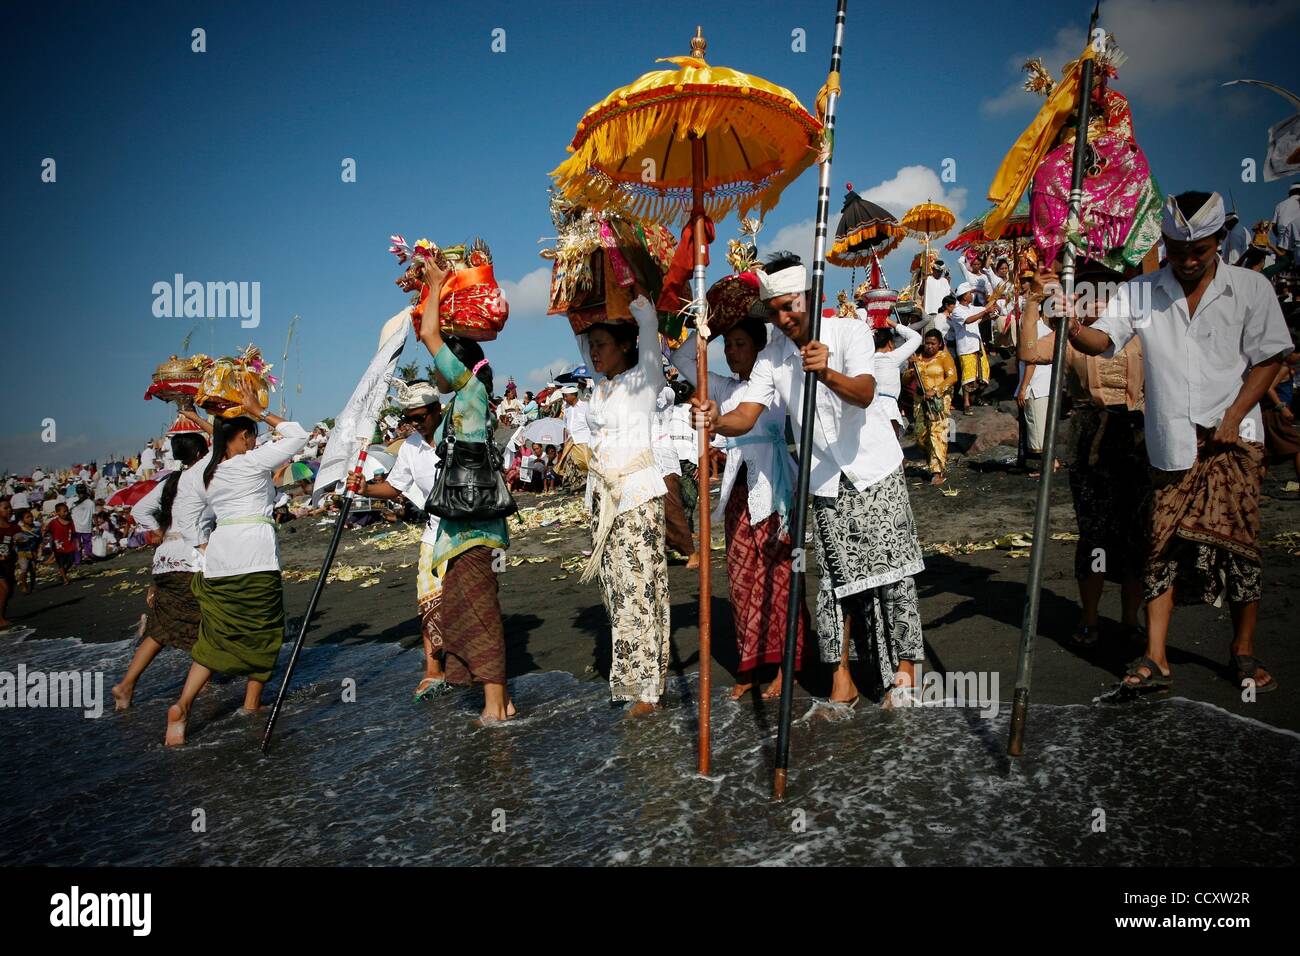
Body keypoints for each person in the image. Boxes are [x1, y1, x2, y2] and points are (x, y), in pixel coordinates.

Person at [1069, 191, 1292, 694]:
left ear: (1220, 239)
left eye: (1200, 250)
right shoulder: (1141, 291)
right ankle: (1155, 656)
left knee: (1241, 549)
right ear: (1163, 243)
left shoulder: (1251, 288)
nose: (1188, 261)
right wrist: (1070, 322)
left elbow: (1272, 358)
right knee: (1160, 545)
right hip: (1170, 441)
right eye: (1176, 249)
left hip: (1235, 443)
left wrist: (1234, 415)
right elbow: (1102, 342)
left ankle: (1242, 651)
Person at [696, 253, 925, 708]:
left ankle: (905, 668)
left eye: (790, 306)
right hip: (821, 481)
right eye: (776, 309)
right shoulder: (771, 360)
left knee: (891, 573)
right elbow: (747, 415)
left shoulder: (849, 331)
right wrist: (717, 419)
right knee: (838, 579)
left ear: (809, 299)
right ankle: (842, 676)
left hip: (874, 469)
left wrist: (827, 372)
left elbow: (863, 393)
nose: (784, 318)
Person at [164, 380, 309, 745]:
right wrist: (259, 409)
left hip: (219, 556)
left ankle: (183, 704)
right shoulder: (250, 462)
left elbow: (186, 514)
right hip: (255, 555)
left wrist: (201, 547)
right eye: (253, 436)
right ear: (244, 436)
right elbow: (297, 436)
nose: (256, 442)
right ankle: (251, 703)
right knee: (266, 630)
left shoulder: (205, 472)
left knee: (216, 637)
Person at [671, 312, 808, 700]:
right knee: (743, 578)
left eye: (739, 344)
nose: (731, 352)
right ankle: (750, 665)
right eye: (727, 346)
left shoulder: (776, 382)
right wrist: (709, 330)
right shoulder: (723, 387)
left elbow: (782, 342)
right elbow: (682, 360)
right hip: (737, 494)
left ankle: (787, 666)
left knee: (780, 577)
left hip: (775, 489)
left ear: (759, 347)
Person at [1019, 267, 1148, 647]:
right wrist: (1031, 303)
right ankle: (1090, 618)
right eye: (1086, 295)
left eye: (1103, 294)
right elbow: (1028, 352)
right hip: (1089, 439)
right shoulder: (1068, 337)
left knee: (1137, 533)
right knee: (1094, 535)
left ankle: (1130, 618)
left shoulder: (1140, 335)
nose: (1095, 302)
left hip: (1137, 440)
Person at [416, 257, 514, 723]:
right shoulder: (463, 406)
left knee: (479, 612)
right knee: (468, 608)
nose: (433, 367)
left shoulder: (471, 390)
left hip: (472, 526)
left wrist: (434, 287)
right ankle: (502, 699)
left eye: (440, 362)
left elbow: (432, 337)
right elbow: (436, 442)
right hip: (466, 527)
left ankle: (496, 704)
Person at [576, 292, 672, 716]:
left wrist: (624, 281)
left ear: (626, 345)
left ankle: (650, 688)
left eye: (602, 345)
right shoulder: (601, 389)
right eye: (590, 345)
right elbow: (577, 325)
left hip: (637, 498)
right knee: (617, 595)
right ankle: (629, 680)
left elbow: (647, 324)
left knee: (641, 592)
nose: (594, 352)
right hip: (604, 502)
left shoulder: (644, 377)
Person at [348, 380, 451, 701]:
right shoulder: (410, 447)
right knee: (429, 602)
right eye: (410, 419)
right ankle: (433, 671)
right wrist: (365, 489)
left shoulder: (459, 434)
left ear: (437, 410)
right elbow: (396, 488)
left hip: (468, 531)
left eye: (420, 417)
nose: (416, 424)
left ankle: (473, 663)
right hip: (435, 533)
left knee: (467, 601)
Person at [112, 422, 212, 710]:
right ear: (202, 452)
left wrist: (161, 530)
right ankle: (198, 685)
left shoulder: (170, 481)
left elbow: (138, 510)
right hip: (192, 558)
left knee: (162, 626)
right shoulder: (203, 479)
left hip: (165, 560)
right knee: (205, 621)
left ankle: (127, 684)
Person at [904, 330, 958, 484]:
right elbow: (906, 381)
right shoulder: (918, 359)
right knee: (921, 436)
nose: (929, 346)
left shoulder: (943, 357)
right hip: (920, 403)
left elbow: (953, 377)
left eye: (933, 343)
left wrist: (935, 390)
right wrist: (910, 367)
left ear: (940, 343)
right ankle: (932, 461)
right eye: (927, 343)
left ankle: (937, 471)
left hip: (938, 403)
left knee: (937, 433)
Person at [869, 316, 923, 441]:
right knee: (892, 447)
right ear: (890, 343)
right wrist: (891, 322)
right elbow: (916, 337)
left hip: (870, 406)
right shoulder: (892, 357)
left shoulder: (867, 358)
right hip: (888, 407)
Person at [951, 283, 1001, 415]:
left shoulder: (972, 308)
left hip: (977, 345)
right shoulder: (957, 310)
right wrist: (985, 312)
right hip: (966, 347)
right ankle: (966, 403)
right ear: (964, 296)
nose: (971, 295)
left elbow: (982, 316)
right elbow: (968, 321)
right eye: (969, 293)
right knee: (969, 375)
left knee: (983, 373)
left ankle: (978, 397)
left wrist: (992, 312)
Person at [43, 502, 77, 584]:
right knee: (60, 562)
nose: (66, 513)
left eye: (67, 511)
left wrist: (76, 542)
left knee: (71, 560)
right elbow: (46, 530)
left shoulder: (70, 521)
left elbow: (73, 532)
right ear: (57, 513)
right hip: (58, 545)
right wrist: (44, 537)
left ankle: (63, 573)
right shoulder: (53, 523)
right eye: (64, 511)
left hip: (68, 544)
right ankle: (65, 578)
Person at [0, 500, 18, 632]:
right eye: (5, 508)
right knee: (4, 588)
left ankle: (2, 615)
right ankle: (0, 620)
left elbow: (19, 538)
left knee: (10, 590)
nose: (9, 510)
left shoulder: (13, 527)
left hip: (9, 562)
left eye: (10, 508)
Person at [14, 508, 41, 595]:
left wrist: (38, 551)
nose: (30, 519)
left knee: (33, 570)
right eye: (27, 517)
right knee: (24, 569)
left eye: (31, 517)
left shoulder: (36, 530)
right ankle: (24, 585)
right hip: (22, 552)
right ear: (22, 520)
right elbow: (15, 541)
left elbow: (39, 541)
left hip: (32, 552)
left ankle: (32, 586)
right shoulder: (20, 530)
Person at [70, 485, 94, 564]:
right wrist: (96, 527)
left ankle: (77, 560)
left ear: (76, 492)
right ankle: (88, 556)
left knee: (77, 544)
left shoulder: (73, 503)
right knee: (87, 543)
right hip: (87, 526)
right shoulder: (90, 503)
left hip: (76, 526)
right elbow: (94, 516)